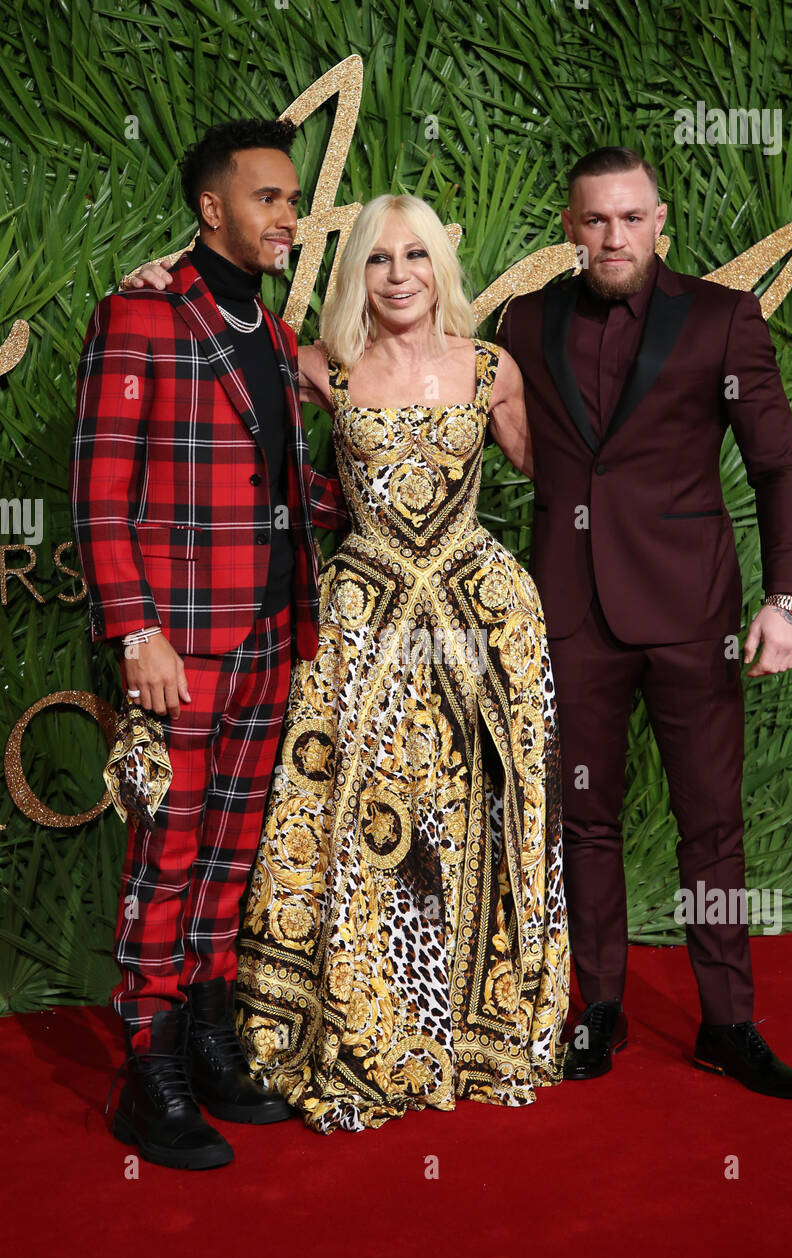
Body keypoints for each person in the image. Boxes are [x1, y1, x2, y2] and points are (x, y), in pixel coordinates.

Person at [138, 192, 572, 1132]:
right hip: (361, 623)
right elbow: (217, 339)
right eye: (378, 259)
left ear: (441, 269)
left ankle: (476, 1029)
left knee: (474, 824)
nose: (400, 274)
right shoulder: (321, 368)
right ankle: (370, 1029)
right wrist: (159, 287)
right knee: (359, 829)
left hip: (479, 628)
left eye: (416, 255)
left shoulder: (491, 368)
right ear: (357, 278)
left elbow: (561, 474)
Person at [497, 146, 792, 1099]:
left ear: (660, 221)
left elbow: (778, 469)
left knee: (711, 827)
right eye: (595, 219)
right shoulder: (523, 322)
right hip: (573, 613)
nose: (613, 236)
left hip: (694, 616)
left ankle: (727, 1023)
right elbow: (411, 362)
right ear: (569, 226)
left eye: (631, 218)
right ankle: (599, 1010)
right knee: (584, 821)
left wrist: (785, 600)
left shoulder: (721, 318)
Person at [69, 117, 349, 1169]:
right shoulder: (140, 315)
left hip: (274, 634)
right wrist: (134, 625)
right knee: (169, 849)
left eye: (291, 198)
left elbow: (283, 485)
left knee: (229, 851)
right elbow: (100, 489)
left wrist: (388, 493)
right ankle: (148, 1065)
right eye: (268, 198)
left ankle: (206, 1031)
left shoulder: (273, 336)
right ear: (211, 208)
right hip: (179, 643)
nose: (287, 215)